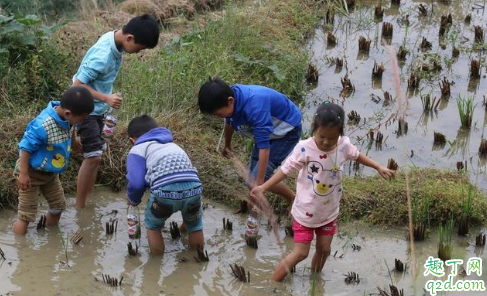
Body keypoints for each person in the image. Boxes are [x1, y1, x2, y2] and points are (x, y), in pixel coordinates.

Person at [251, 101, 395, 281]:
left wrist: (378, 166)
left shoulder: (343, 146)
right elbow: (285, 170)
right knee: (301, 253)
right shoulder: (304, 148)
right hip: (305, 212)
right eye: (321, 137)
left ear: (340, 134)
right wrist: (264, 186)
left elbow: (357, 156)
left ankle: (314, 282)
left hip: (328, 212)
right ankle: (273, 283)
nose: (326, 142)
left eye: (331, 138)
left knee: (324, 250)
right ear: (314, 130)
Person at [72, 14, 160, 208]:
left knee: (96, 155)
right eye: (140, 48)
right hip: (86, 109)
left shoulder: (116, 41)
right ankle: (80, 207)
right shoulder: (103, 55)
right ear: (129, 38)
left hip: (98, 109)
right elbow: (77, 86)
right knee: (93, 156)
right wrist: (106, 98)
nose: (138, 52)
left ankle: (90, 198)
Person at [198, 78, 302, 210]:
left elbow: (264, 149)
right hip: (267, 130)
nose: (218, 117)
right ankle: (253, 204)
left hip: (287, 131)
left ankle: (292, 198)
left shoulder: (255, 108)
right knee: (251, 181)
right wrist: (227, 144)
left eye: (218, 114)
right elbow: (229, 121)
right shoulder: (231, 100)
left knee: (259, 180)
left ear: (230, 101)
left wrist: (259, 186)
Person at [13, 87, 94, 235]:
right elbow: (25, 147)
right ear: (68, 113)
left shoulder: (67, 118)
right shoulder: (43, 125)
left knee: (58, 207)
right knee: (26, 215)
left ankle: (50, 237)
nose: (82, 122)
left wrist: (74, 143)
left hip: (50, 174)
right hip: (31, 174)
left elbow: (71, 128)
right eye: (82, 119)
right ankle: (21, 249)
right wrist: (23, 174)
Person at [125, 115, 204, 255]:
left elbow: (136, 184)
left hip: (165, 192)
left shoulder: (137, 149)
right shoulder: (173, 145)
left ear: (132, 140)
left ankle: (156, 263)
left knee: (153, 227)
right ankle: (197, 260)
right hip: (194, 188)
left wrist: (133, 200)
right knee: (195, 226)